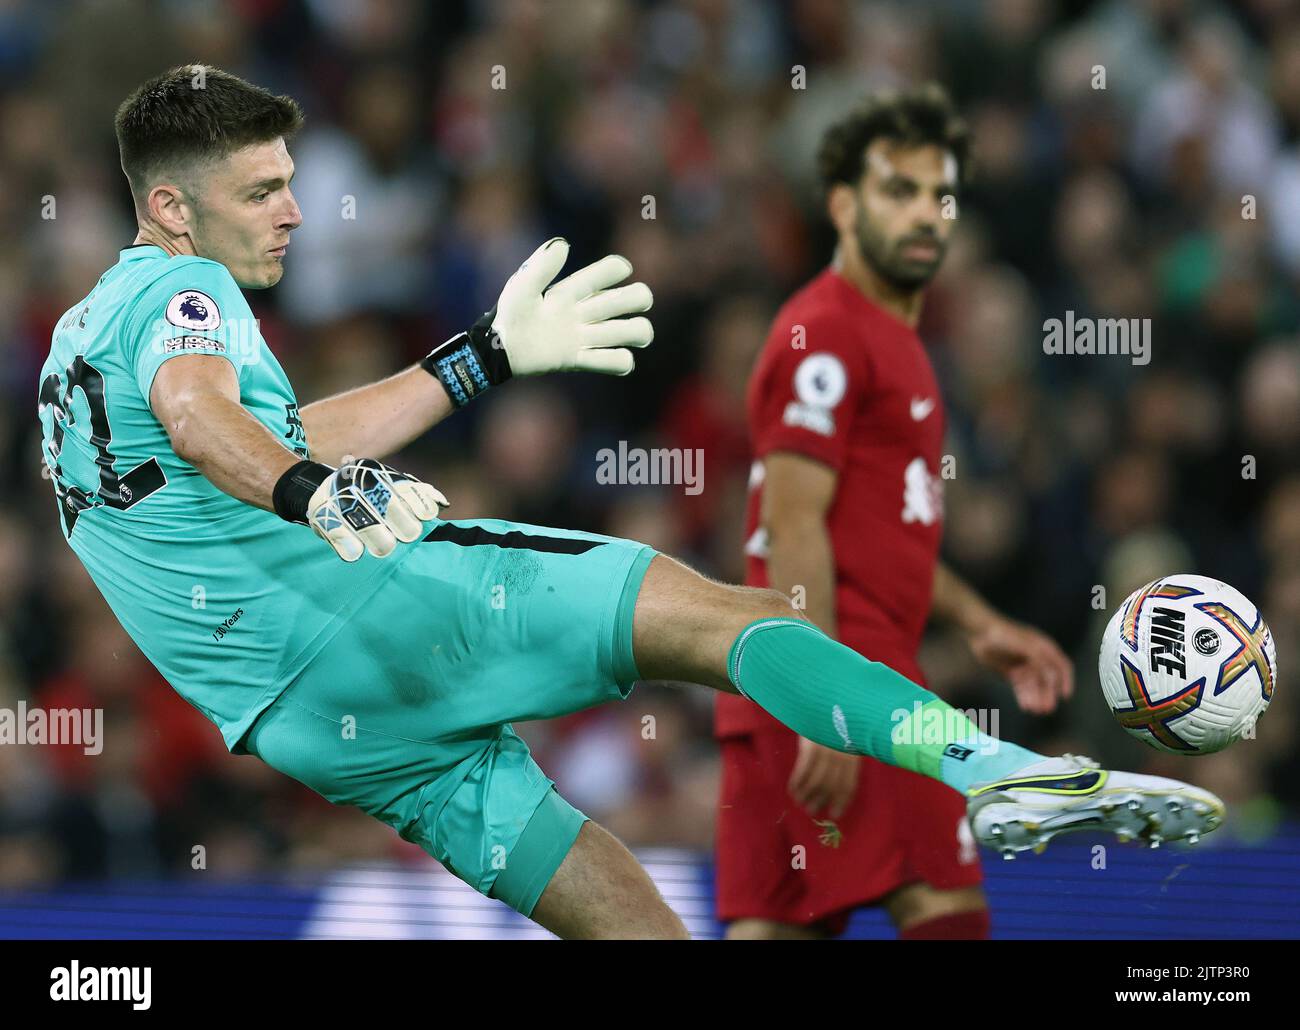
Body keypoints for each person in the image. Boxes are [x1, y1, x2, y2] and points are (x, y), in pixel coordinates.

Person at [38, 66, 1223, 940]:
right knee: (724, 615)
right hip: (377, 611)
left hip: (312, 728)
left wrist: (480, 357)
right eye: (261, 191)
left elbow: (239, 437)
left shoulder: (75, 348)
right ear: (174, 210)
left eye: (292, 183)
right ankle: (984, 767)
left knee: (638, 934)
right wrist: (308, 493)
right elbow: (210, 421)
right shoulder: (186, 286)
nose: (294, 210)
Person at [716, 85, 1078, 941]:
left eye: (940, 195)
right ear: (843, 205)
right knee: (947, 912)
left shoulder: (893, 340)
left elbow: (870, 535)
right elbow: (796, 525)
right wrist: (827, 706)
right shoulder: (828, 335)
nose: (926, 214)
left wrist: (978, 619)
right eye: (899, 190)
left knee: (777, 927)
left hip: (775, 681)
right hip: (854, 683)